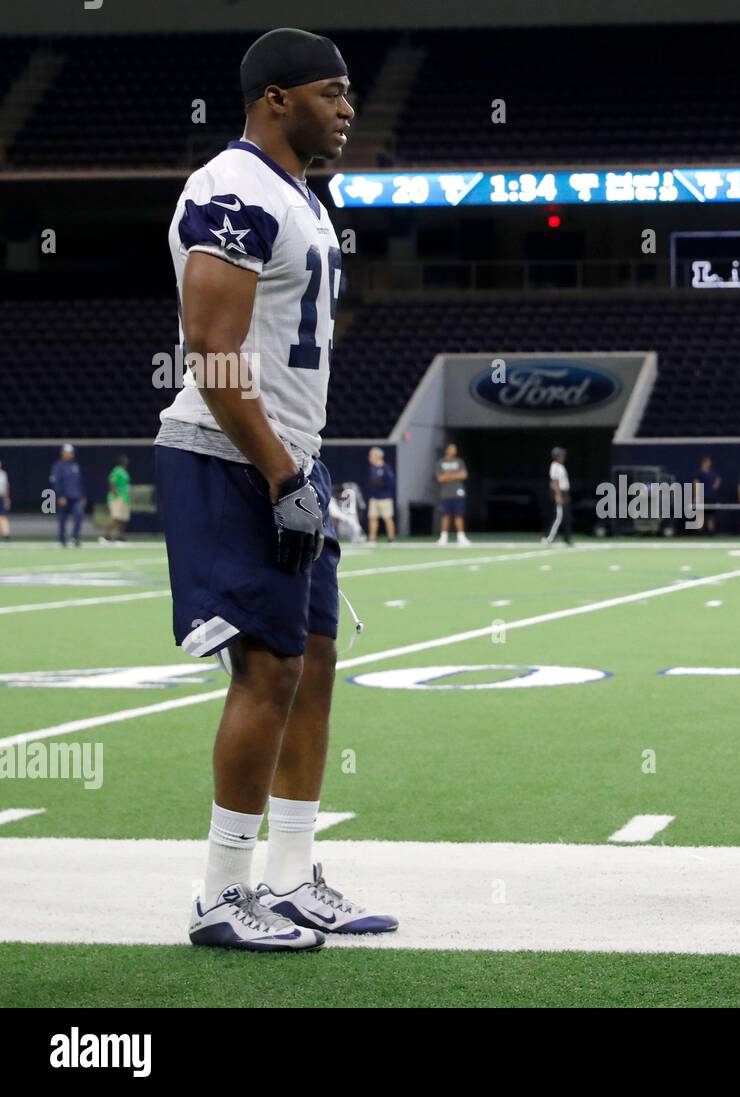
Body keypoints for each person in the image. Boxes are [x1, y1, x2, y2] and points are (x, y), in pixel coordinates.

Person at [153, 28, 393, 953]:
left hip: (292, 455)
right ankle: (223, 891)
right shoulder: (234, 188)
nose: (347, 109)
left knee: (315, 659)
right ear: (277, 98)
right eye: (334, 92)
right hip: (229, 452)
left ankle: (290, 875)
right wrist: (281, 471)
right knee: (266, 668)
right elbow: (213, 350)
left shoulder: (299, 197)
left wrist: (300, 467)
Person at [435, 442, 470, 545]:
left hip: (458, 493)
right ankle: (443, 537)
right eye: (452, 448)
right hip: (445, 494)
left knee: (459, 515)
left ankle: (461, 537)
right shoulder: (441, 462)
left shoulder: (459, 461)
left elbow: (464, 475)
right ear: (447, 450)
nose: (454, 450)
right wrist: (455, 475)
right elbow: (440, 478)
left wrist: (448, 476)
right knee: (445, 515)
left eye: (455, 448)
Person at [50, 444, 85, 548]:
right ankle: (62, 539)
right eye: (68, 452)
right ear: (64, 453)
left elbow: (79, 481)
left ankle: (75, 536)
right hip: (64, 497)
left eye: (71, 453)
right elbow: (56, 482)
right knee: (62, 519)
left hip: (75, 497)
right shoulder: (58, 466)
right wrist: (60, 495)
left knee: (79, 514)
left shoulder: (75, 466)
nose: (71, 455)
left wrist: (82, 495)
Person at [542, 446, 573, 546]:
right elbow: (555, 482)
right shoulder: (555, 466)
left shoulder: (560, 466)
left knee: (566, 517)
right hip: (560, 493)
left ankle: (567, 539)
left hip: (564, 493)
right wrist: (558, 495)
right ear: (557, 456)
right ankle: (549, 538)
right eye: (562, 455)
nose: (564, 457)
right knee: (558, 517)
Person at [366, 447, 396, 543]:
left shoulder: (386, 468)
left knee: (388, 518)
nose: (370, 457)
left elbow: (390, 482)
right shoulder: (372, 468)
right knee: (372, 517)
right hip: (374, 497)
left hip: (385, 498)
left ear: (377, 456)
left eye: (371, 455)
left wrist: (380, 482)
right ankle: (372, 538)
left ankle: (391, 538)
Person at [100, 455, 132, 544]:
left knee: (123, 519)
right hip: (117, 498)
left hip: (125, 498)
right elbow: (112, 482)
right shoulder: (117, 470)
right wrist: (117, 495)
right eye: (124, 460)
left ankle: (120, 537)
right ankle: (106, 536)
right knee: (115, 517)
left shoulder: (124, 471)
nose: (126, 461)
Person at [693, 455, 722, 534]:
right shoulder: (699, 473)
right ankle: (700, 533)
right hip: (702, 497)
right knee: (700, 515)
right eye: (708, 462)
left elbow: (718, 479)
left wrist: (716, 485)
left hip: (711, 497)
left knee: (711, 516)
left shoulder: (713, 473)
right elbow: (696, 484)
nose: (710, 463)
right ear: (704, 462)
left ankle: (711, 533)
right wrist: (696, 496)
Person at [0, 459, 10, 542]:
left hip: (1, 497)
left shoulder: (3, 474)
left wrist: (7, 498)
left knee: (3, 517)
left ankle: (6, 534)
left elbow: (6, 488)